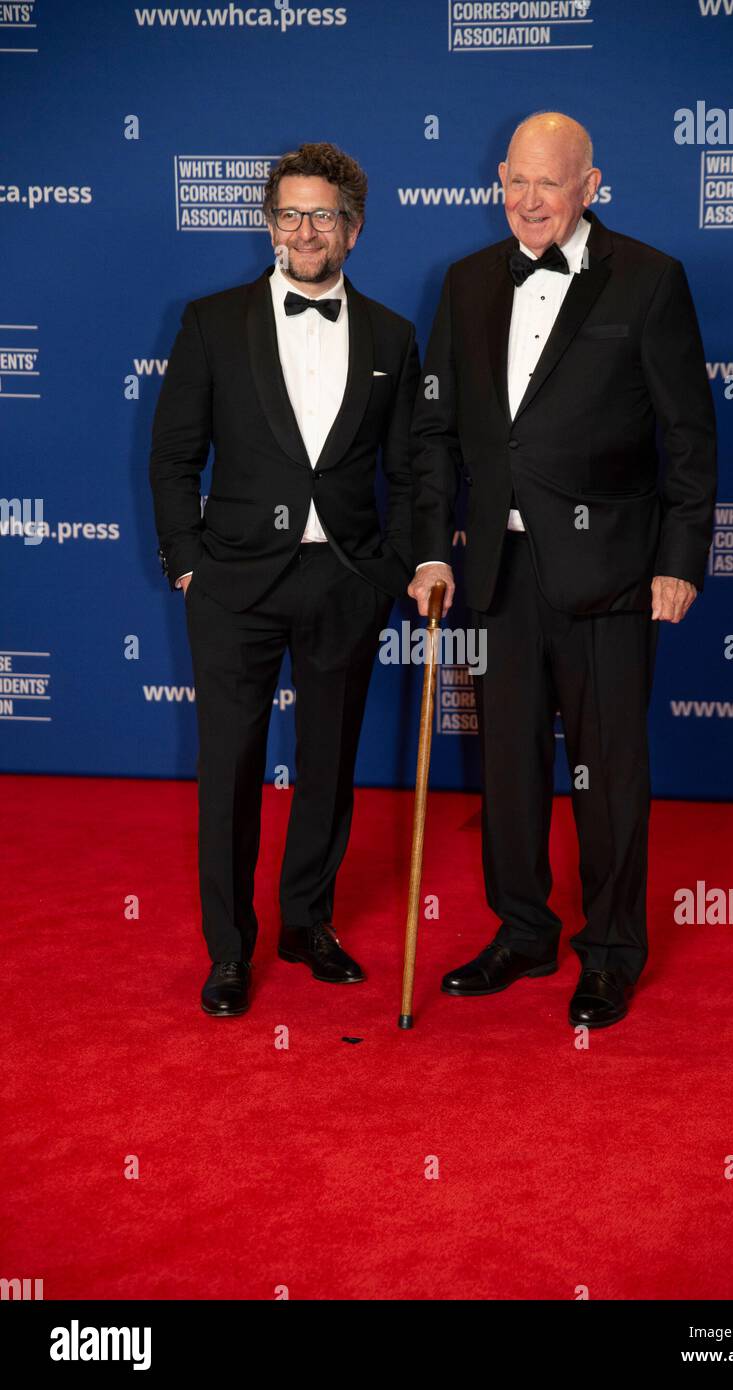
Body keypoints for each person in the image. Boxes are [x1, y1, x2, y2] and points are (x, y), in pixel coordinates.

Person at [409, 112, 717, 1029]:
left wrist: (680, 558)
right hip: (497, 569)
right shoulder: (464, 282)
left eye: (551, 184)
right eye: (517, 181)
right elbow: (433, 434)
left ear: (591, 184)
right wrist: (432, 547)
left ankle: (613, 951)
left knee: (609, 770)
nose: (529, 202)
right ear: (498, 175)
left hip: (613, 574)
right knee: (506, 767)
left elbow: (689, 437)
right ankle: (523, 931)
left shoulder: (651, 280)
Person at [150, 142, 419, 1016]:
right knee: (228, 767)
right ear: (270, 224)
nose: (307, 231)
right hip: (233, 583)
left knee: (328, 762)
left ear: (355, 228)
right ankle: (230, 950)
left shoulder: (391, 335)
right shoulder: (211, 322)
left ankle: (307, 922)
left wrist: (399, 564)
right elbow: (173, 458)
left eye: (325, 215)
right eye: (291, 215)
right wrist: (189, 563)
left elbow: (413, 469)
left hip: (344, 578)